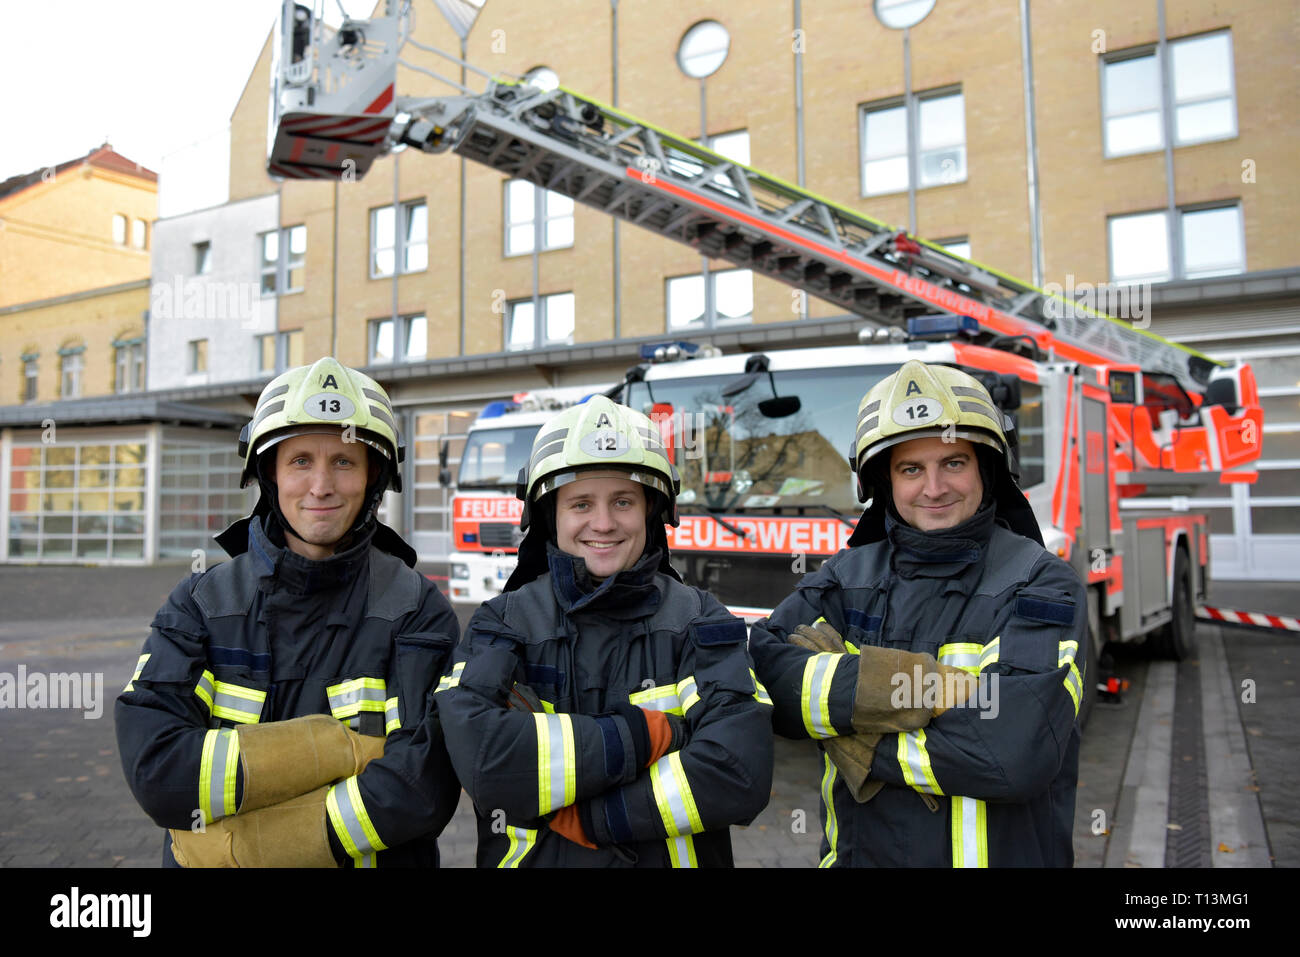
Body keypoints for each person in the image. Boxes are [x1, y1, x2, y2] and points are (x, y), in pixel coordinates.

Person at [116, 357, 461, 867]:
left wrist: (261, 845)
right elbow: (160, 772)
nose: (321, 486)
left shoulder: (415, 609)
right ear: (270, 475)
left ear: (372, 477)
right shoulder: (201, 605)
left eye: (344, 461)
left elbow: (420, 788)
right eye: (300, 460)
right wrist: (349, 755)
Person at [749, 359, 1086, 867]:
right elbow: (766, 673)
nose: (934, 488)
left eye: (953, 463)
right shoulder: (846, 576)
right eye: (911, 468)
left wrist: (852, 737)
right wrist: (920, 687)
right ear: (883, 481)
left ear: (986, 469)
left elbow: (1012, 755)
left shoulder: (1040, 581)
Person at [436, 395, 774, 867]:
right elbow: (486, 763)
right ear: (549, 515)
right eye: (581, 503)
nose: (603, 523)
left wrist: (594, 817)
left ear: (651, 513)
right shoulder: (503, 622)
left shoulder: (701, 620)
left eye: (622, 501)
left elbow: (738, 774)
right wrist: (648, 737)